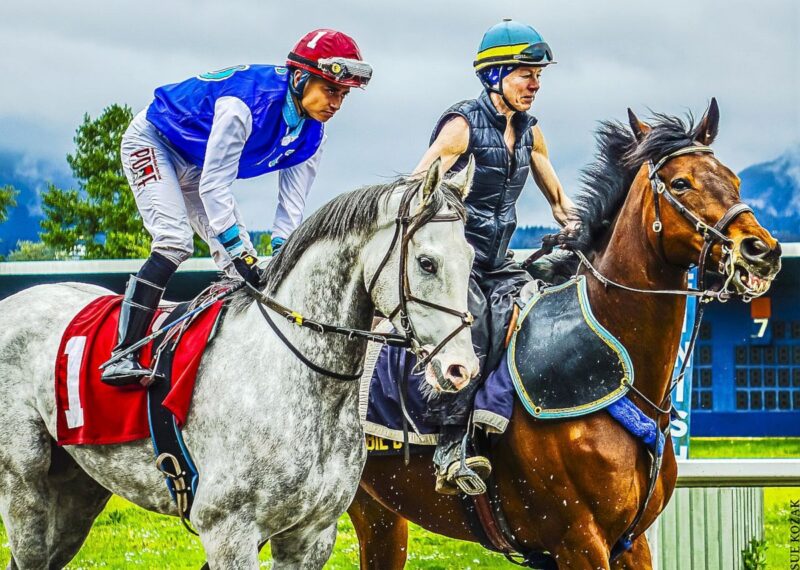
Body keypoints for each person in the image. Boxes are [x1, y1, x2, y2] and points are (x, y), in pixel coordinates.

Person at [101, 29, 372, 386]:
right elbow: (214, 185)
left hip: (197, 162)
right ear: (301, 77)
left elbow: (291, 208)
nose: (336, 103)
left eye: (344, 95)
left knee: (235, 267)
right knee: (174, 240)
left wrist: (279, 255)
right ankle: (122, 355)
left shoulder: (313, 135)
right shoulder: (244, 105)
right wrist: (244, 254)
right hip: (155, 142)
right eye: (331, 90)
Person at [413, 19, 574, 494]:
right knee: (475, 327)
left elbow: (561, 203)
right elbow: (411, 190)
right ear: (494, 75)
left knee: (542, 314)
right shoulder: (461, 126)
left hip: (501, 259)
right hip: (456, 264)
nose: (535, 83)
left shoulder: (530, 131)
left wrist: (579, 232)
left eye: (539, 74)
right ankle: (448, 445)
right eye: (526, 72)